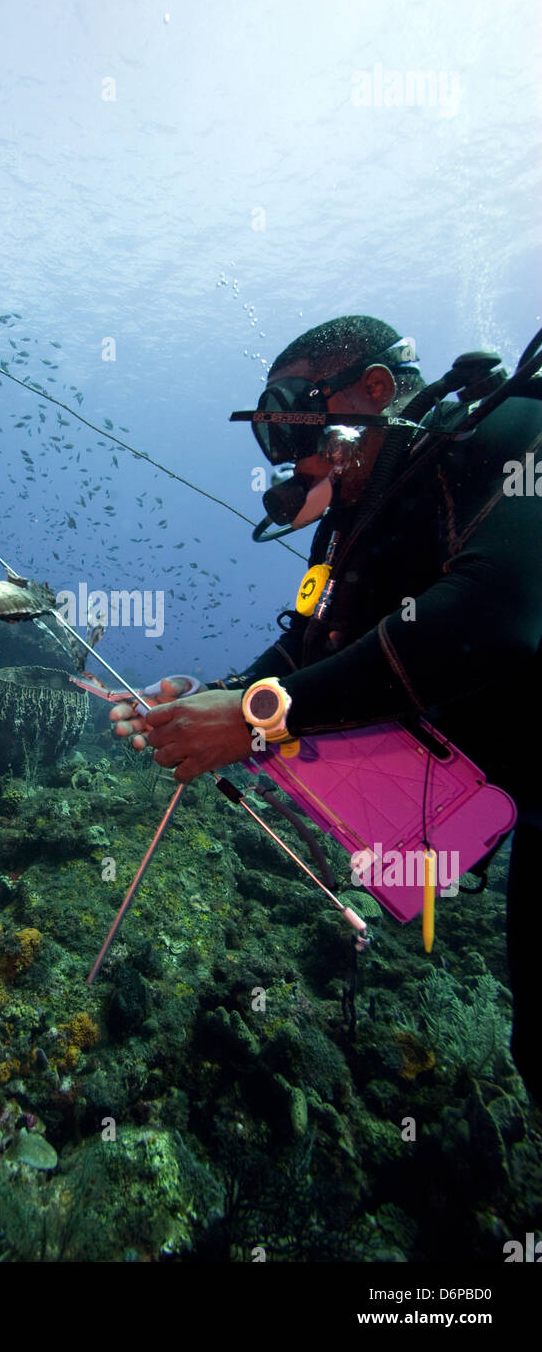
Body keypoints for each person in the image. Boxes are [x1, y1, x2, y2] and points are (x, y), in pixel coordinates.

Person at [109, 315, 542, 1105]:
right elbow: (305, 656)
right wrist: (218, 696)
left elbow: (494, 616)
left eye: (292, 428)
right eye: (271, 443)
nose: (290, 463)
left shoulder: (512, 433)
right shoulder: (348, 531)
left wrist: (254, 718)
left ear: (373, 390)